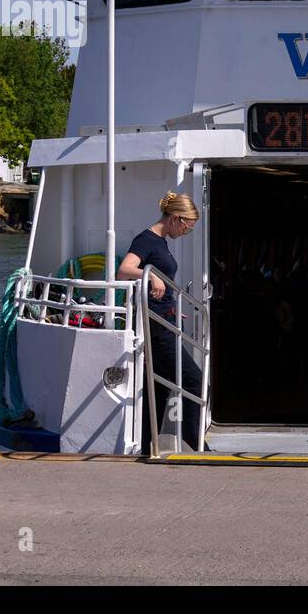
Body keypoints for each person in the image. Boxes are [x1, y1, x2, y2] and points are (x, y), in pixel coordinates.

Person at [117, 191, 202, 453]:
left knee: (159, 386)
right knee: (194, 382)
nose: (185, 232)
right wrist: (150, 275)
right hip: (156, 328)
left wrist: (173, 309)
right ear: (175, 218)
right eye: (187, 228)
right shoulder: (147, 240)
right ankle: (194, 445)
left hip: (164, 319)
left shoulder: (160, 242)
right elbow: (124, 270)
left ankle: (145, 446)